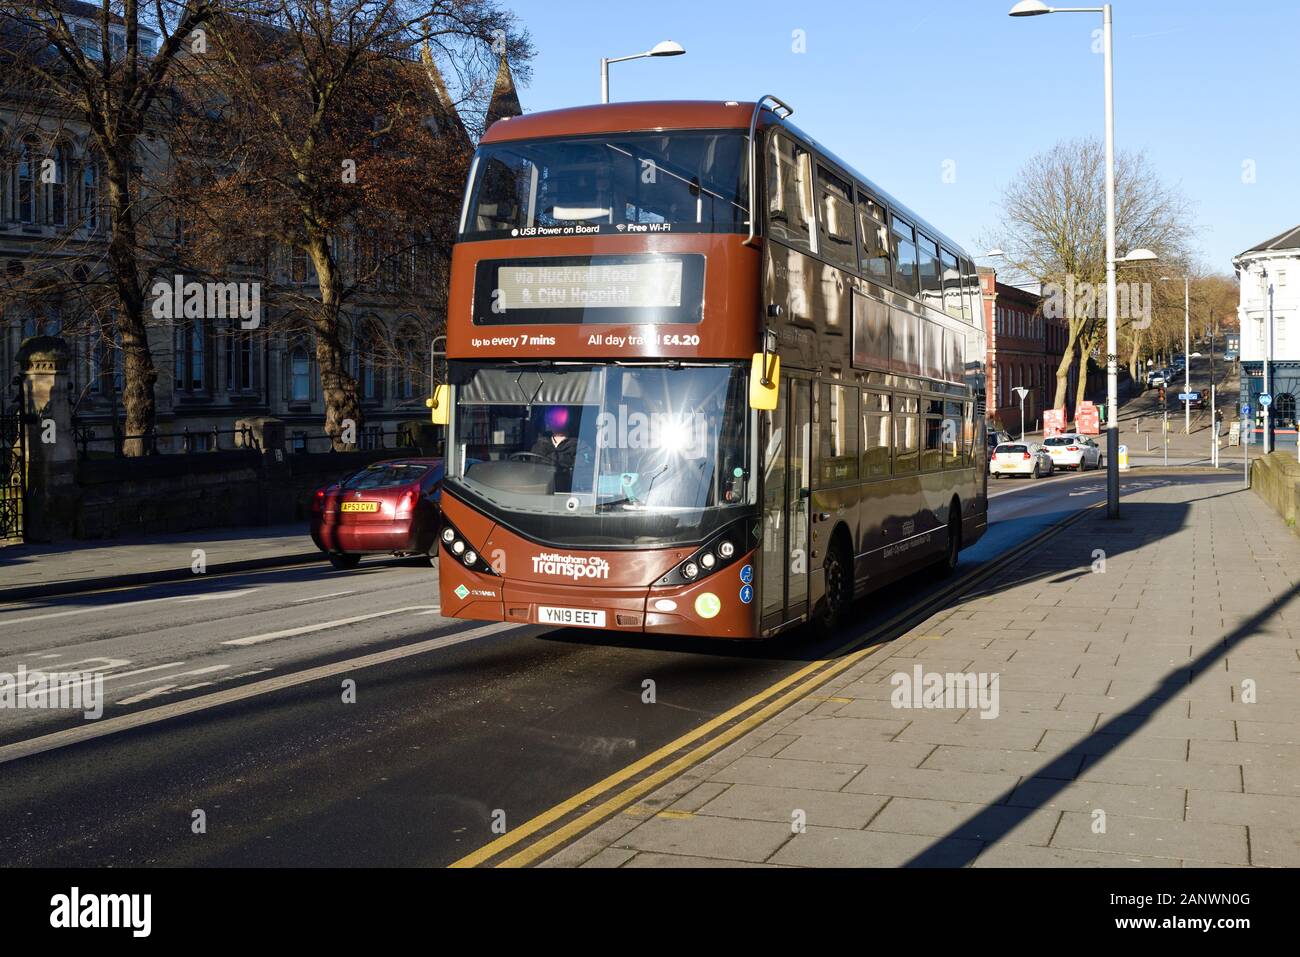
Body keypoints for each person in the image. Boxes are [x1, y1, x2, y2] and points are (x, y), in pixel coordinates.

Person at [531, 406, 579, 491]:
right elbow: (533, 468)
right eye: (552, 419)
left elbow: (582, 467)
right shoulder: (539, 445)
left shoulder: (580, 445)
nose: (556, 422)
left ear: (568, 420)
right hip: (540, 492)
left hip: (567, 493)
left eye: (560, 418)